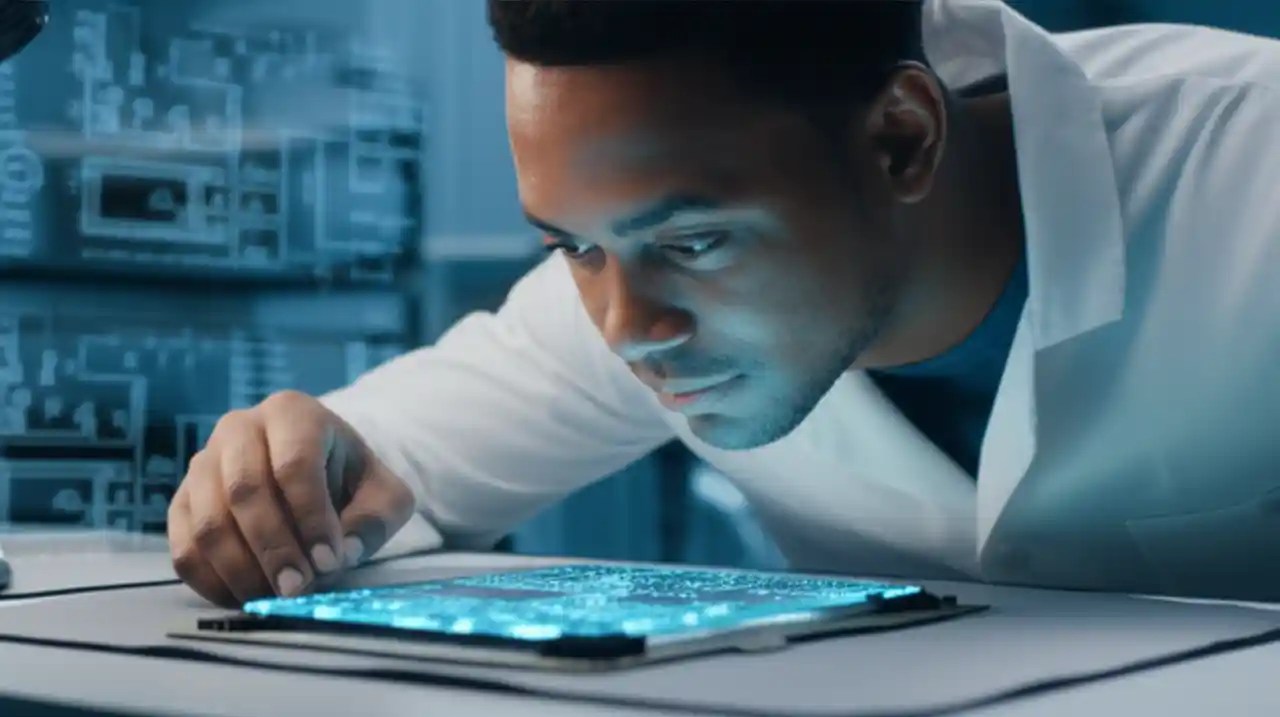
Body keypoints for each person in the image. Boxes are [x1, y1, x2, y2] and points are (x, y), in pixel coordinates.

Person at [167, 0, 1280, 608]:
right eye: (572, 248)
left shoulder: (1253, 175)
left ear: (902, 138)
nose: (625, 328)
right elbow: (382, 463)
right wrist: (285, 468)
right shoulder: (626, 289)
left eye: (695, 241)